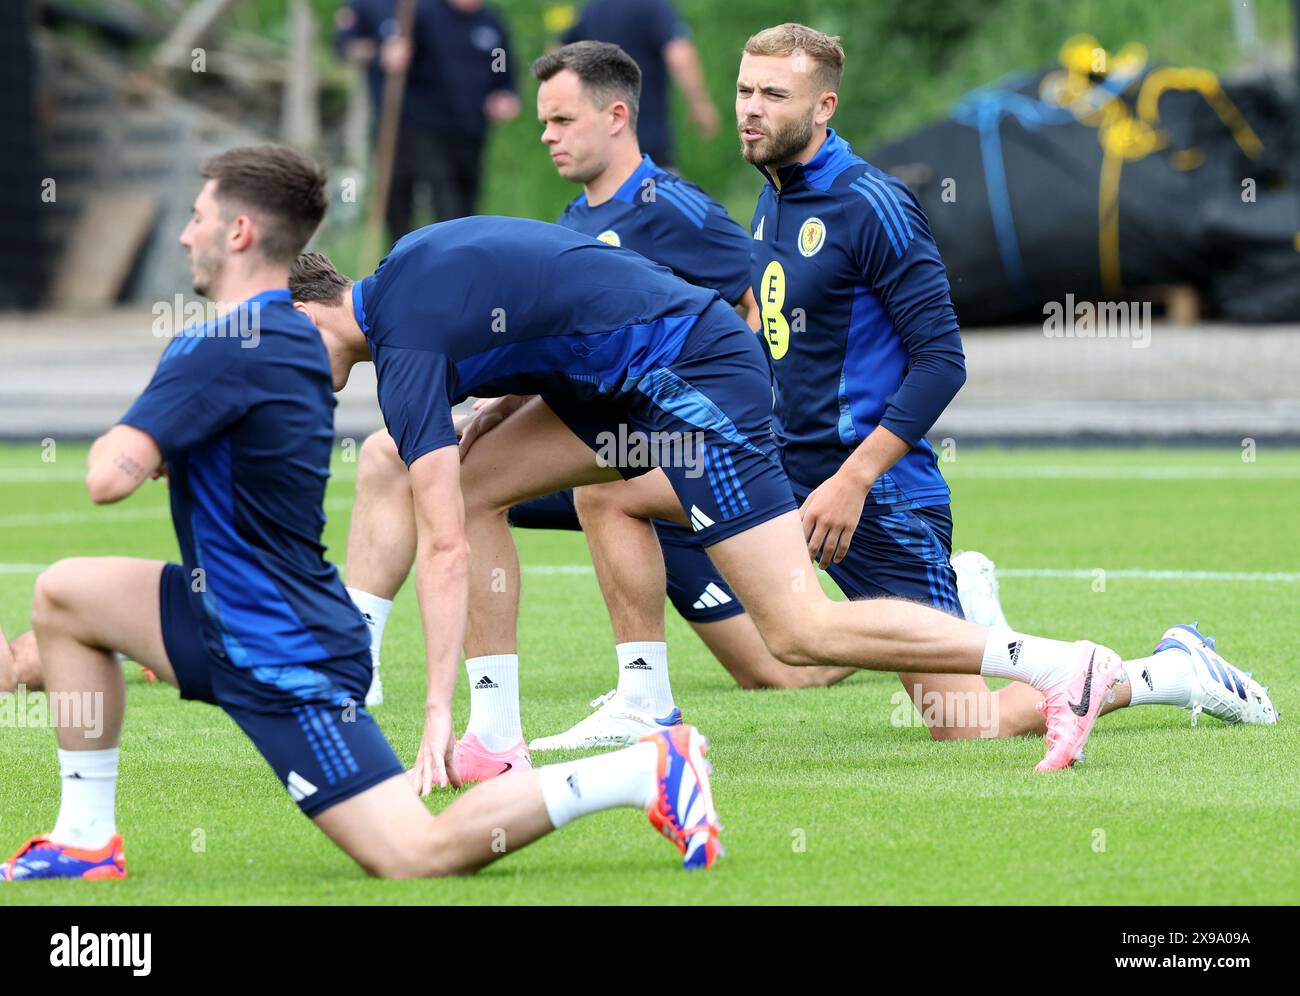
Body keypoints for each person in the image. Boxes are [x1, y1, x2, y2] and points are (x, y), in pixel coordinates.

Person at [447, 24, 1278, 760]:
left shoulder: (872, 204)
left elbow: (942, 360)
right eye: (743, 90)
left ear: (825, 106)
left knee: (968, 726)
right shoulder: (772, 201)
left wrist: (854, 479)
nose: (750, 109)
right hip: (782, 468)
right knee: (620, 497)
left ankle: (1166, 670)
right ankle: (642, 705)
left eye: (775, 94)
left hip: (878, 497)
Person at [0, 145, 721, 882]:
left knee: (415, 853)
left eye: (197, 217)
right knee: (66, 595)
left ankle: (640, 772)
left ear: (240, 231)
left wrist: (134, 440)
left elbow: (104, 480)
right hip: (222, 607)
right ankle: (85, 838)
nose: (185, 234)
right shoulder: (292, 342)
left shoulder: (230, 345)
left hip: (283, 650)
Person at [288, 210, 1167, 788]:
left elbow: (440, 547)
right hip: (633, 386)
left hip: (693, 379)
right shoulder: (407, 277)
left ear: (305, 312)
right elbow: (557, 307)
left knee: (798, 633)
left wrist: (427, 706)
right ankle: (497, 739)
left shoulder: (401, 337)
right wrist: (505, 403)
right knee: (476, 483)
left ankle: (1058, 663)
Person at [336, 0, 519, 236]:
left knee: (467, 203)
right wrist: (389, 53)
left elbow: (500, 61)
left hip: (471, 130)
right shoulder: (419, 14)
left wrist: (503, 91)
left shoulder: (490, 22)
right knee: (440, 201)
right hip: (424, 128)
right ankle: (420, 258)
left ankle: (462, 259)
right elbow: (385, 47)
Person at [560, 0, 718, 168]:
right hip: (648, 139)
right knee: (661, 190)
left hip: (601, 140)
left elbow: (558, 54)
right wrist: (699, 103)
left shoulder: (592, 10)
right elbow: (679, 53)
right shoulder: (654, 7)